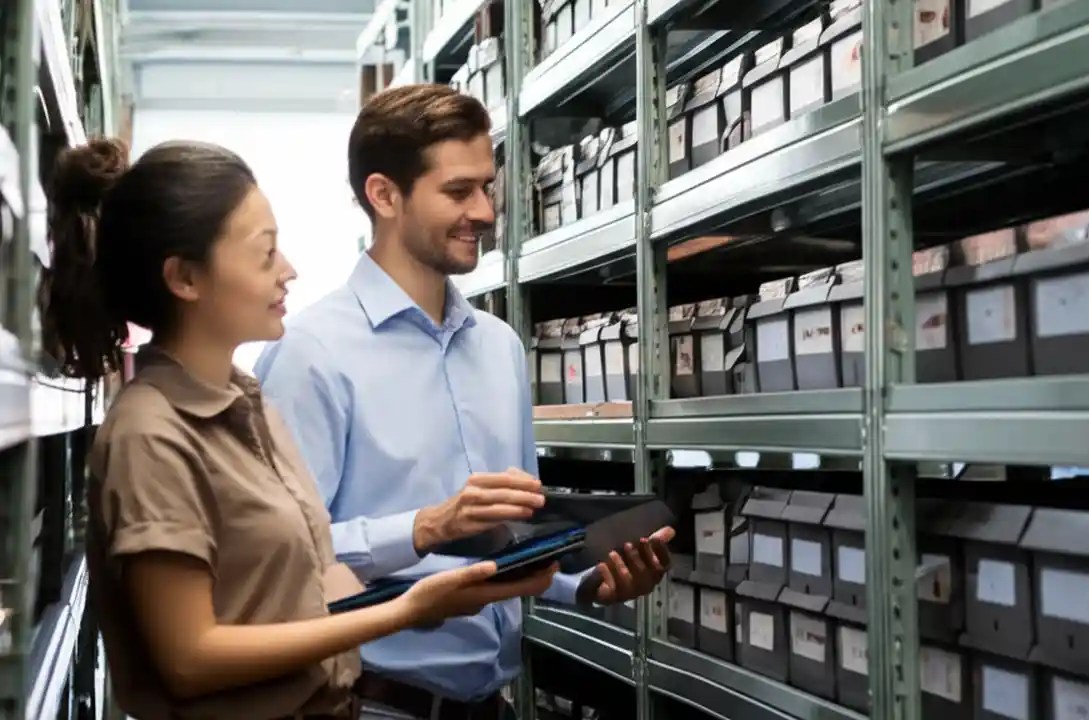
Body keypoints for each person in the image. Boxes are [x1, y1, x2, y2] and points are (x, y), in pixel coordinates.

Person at [41, 137, 559, 720]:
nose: (289, 271)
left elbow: (311, 582)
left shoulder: (250, 405)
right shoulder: (150, 434)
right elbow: (189, 659)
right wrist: (403, 612)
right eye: (265, 254)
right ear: (185, 278)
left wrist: (452, 590)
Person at [253, 84, 675, 719]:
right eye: (457, 191)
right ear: (384, 195)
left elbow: (518, 536)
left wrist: (586, 579)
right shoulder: (311, 354)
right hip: (370, 707)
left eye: (487, 186)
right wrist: (424, 528)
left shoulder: (500, 348)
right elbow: (278, 560)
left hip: (492, 706)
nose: (483, 211)